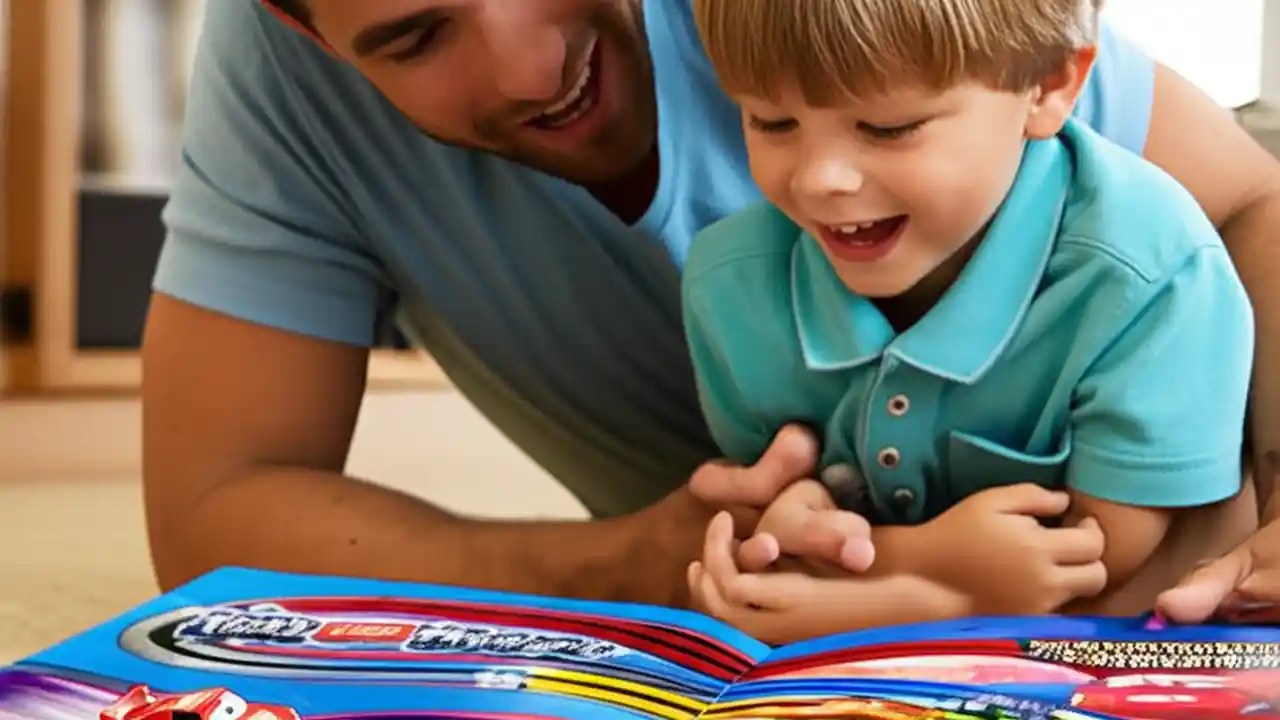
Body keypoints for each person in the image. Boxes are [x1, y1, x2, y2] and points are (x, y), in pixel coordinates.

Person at [141, 0, 1280, 621]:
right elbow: (214, 519)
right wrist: (632, 562)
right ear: (306, 32)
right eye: (418, 34)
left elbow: (1248, 200)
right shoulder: (277, 85)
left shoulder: (1121, 225)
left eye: (879, 130)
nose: (533, 65)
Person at [679, 0, 1255, 645]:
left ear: (1050, 87)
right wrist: (792, 525)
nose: (820, 180)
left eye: (888, 127)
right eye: (772, 121)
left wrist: (902, 590)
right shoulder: (730, 282)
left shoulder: (1148, 272)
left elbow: (1093, 565)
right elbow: (780, 519)